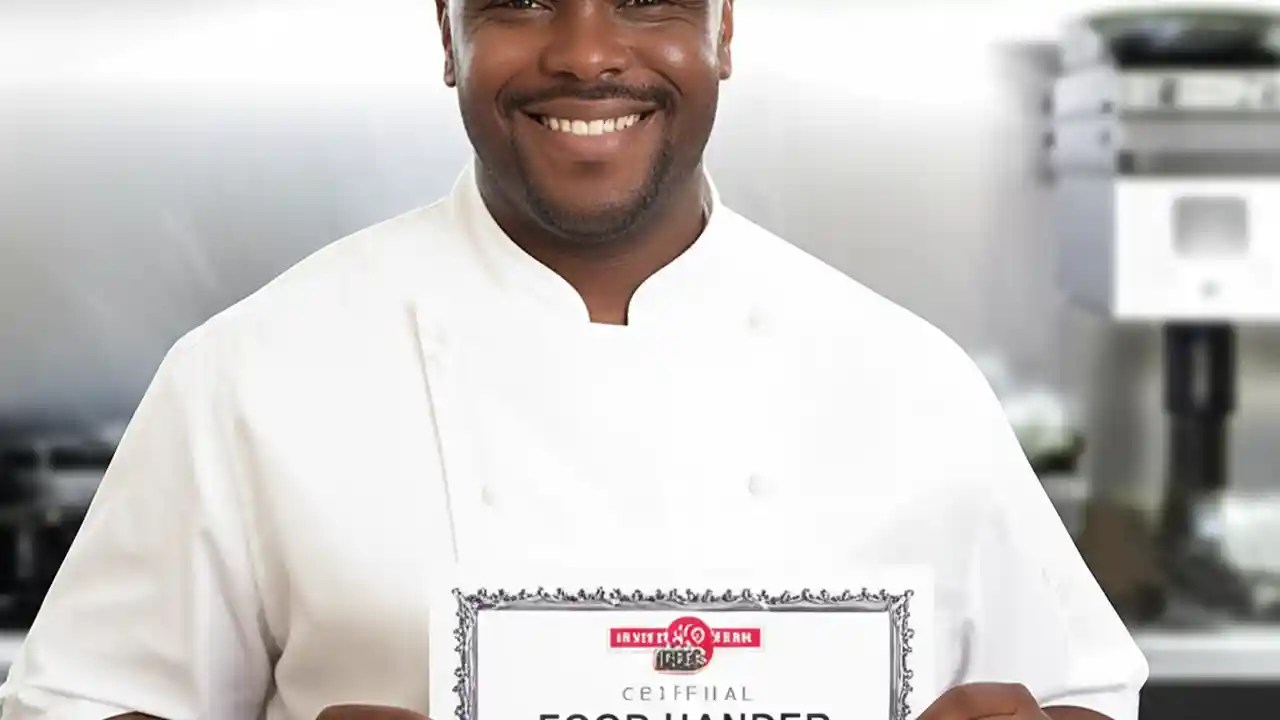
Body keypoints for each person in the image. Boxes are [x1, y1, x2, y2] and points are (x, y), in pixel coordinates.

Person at [0, 1, 1148, 719]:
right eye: (520, 1)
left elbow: (1081, 695)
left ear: (723, 30)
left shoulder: (911, 378)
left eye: (645, 0)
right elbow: (75, 708)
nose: (585, 52)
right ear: (445, 33)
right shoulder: (245, 375)